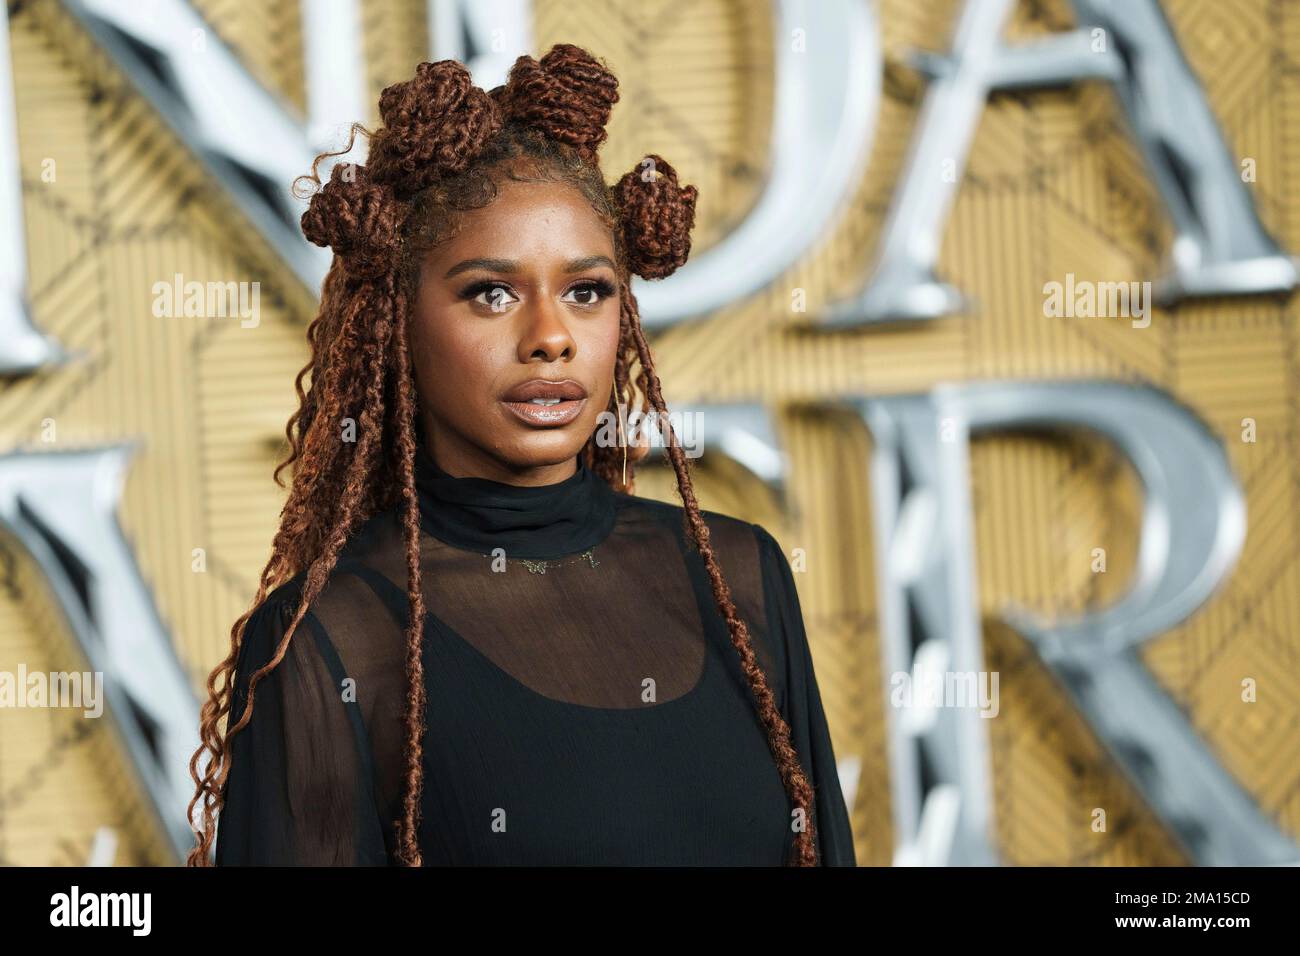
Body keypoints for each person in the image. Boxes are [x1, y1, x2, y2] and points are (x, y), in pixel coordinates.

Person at [185, 43, 855, 866]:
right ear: (399, 319)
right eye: (491, 293)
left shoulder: (739, 574)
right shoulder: (330, 638)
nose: (550, 339)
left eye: (586, 291)